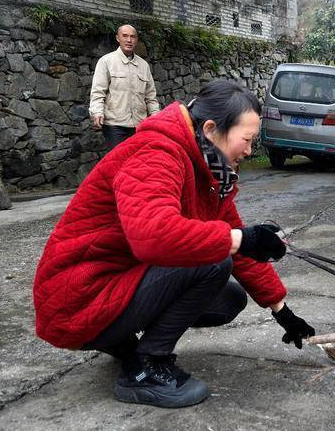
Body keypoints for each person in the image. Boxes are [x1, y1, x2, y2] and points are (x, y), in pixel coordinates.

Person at [34, 79, 315, 408]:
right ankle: (146, 367)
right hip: (78, 298)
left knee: (228, 299)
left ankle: (124, 343)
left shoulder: (206, 168)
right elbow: (154, 235)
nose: (249, 151)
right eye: (247, 139)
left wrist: (282, 312)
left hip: (113, 285)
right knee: (213, 261)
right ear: (211, 129)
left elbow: (237, 241)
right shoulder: (155, 152)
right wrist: (243, 239)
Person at [89, 24, 160, 151]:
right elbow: (98, 92)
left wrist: (156, 116)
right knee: (118, 159)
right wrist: (97, 112)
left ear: (136, 40)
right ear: (118, 38)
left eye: (132, 37)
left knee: (138, 159)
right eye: (125, 36)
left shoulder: (143, 65)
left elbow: (150, 96)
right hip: (115, 125)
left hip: (139, 125)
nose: (129, 40)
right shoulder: (106, 61)